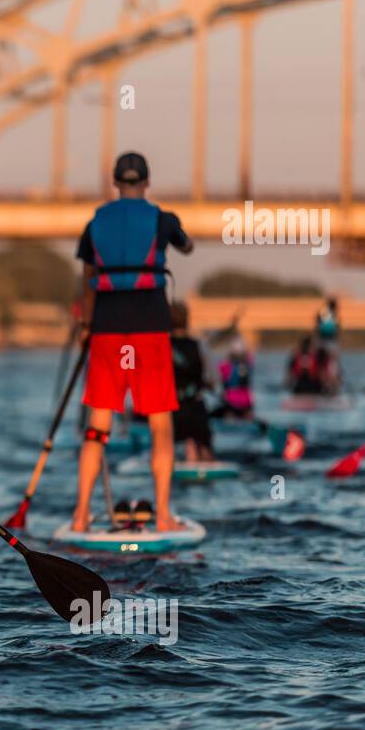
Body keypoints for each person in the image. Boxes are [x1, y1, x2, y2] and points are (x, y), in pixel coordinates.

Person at [73, 152, 193, 534]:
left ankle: (79, 517)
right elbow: (186, 245)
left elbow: (88, 277)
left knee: (98, 427)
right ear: (146, 181)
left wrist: (85, 327)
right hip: (149, 330)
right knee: (160, 425)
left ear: (115, 183)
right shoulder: (162, 220)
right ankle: (162, 515)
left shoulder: (95, 222)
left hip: (106, 331)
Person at [169, 301, 214, 462]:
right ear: (187, 321)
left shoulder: (160, 346)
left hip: (171, 410)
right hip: (195, 408)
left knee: (166, 448)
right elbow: (213, 380)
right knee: (205, 453)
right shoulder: (200, 345)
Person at [212, 338, 255, 419]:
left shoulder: (224, 366)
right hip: (247, 404)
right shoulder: (249, 364)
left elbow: (213, 376)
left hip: (231, 404)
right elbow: (250, 355)